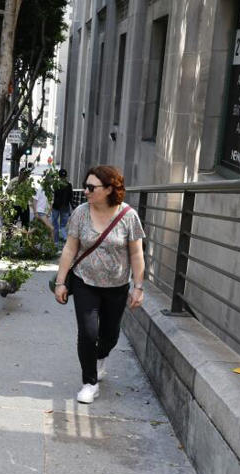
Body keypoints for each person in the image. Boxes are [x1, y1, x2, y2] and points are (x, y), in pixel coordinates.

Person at [53, 165, 146, 404]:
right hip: (85, 282)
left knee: (109, 335)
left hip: (117, 286)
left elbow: (136, 254)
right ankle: (89, 383)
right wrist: (60, 282)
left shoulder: (128, 216)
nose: (85, 191)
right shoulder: (81, 213)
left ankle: (101, 356)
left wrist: (138, 286)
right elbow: (70, 248)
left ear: (108, 189)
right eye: (85, 186)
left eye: (91, 187)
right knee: (87, 333)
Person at [51, 169, 73, 246]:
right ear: (66, 176)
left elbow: (53, 196)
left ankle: (56, 242)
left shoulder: (56, 184)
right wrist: (73, 207)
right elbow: (71, 197)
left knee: (55, 224)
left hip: (56, 207)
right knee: (63, 226)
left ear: (59, 176)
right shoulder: (69, 185)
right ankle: (65, 238)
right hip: (65, 207)